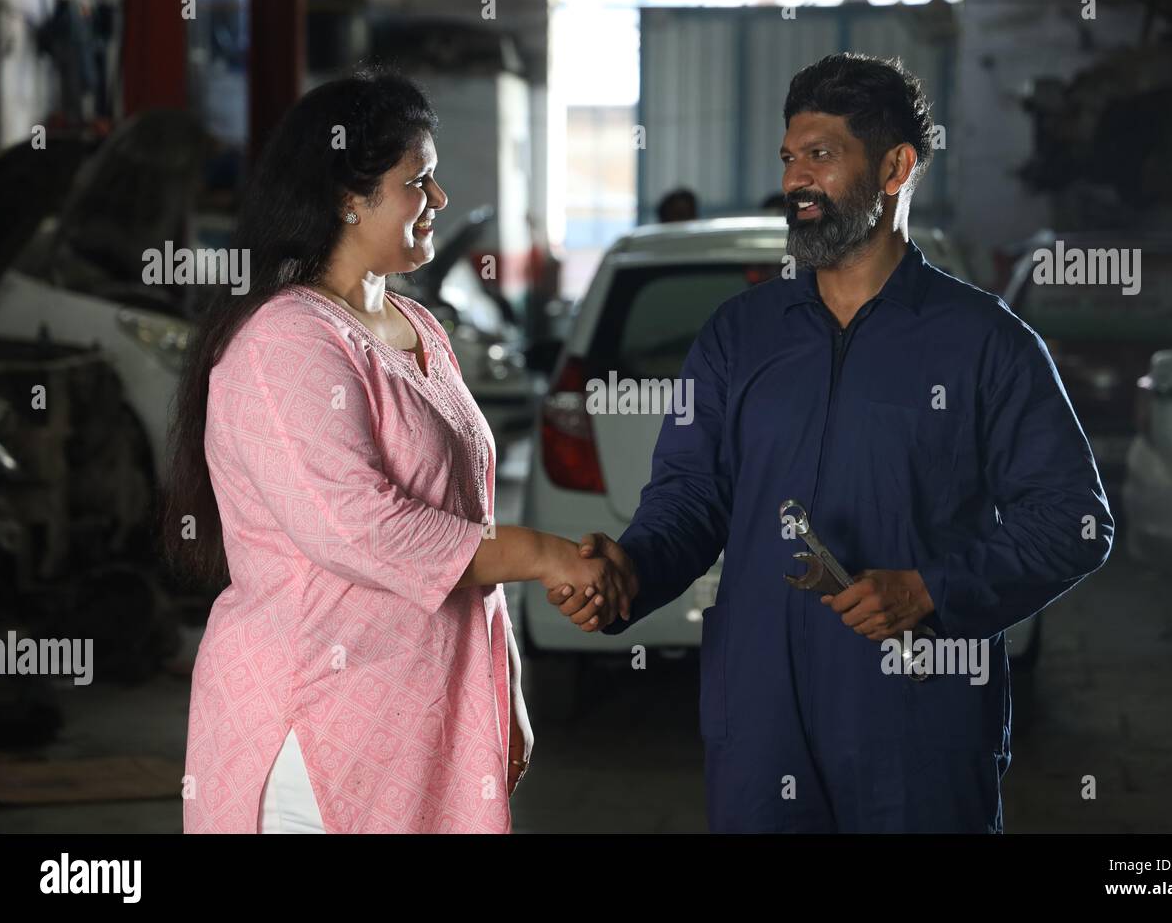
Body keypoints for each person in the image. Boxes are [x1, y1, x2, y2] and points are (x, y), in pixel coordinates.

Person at [550, 53, 1113, 832]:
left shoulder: (987, 344)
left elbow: (1073, 523)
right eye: (788, 158)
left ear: (894, 166)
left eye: (821, 155)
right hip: (760, 715)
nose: (796, 180)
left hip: (920, 716)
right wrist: (631, 569)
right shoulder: (738, 336)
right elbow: (690, 497)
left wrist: (930, 590)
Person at [162, 66, 633, 834]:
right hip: (315, 731)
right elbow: (360, 529)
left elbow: (463, 514)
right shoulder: (283, 341)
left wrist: (502, 685)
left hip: (421, 722)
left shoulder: (423, 330)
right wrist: (545, 554)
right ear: (350, 196)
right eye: (420, 180)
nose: (439, 202)